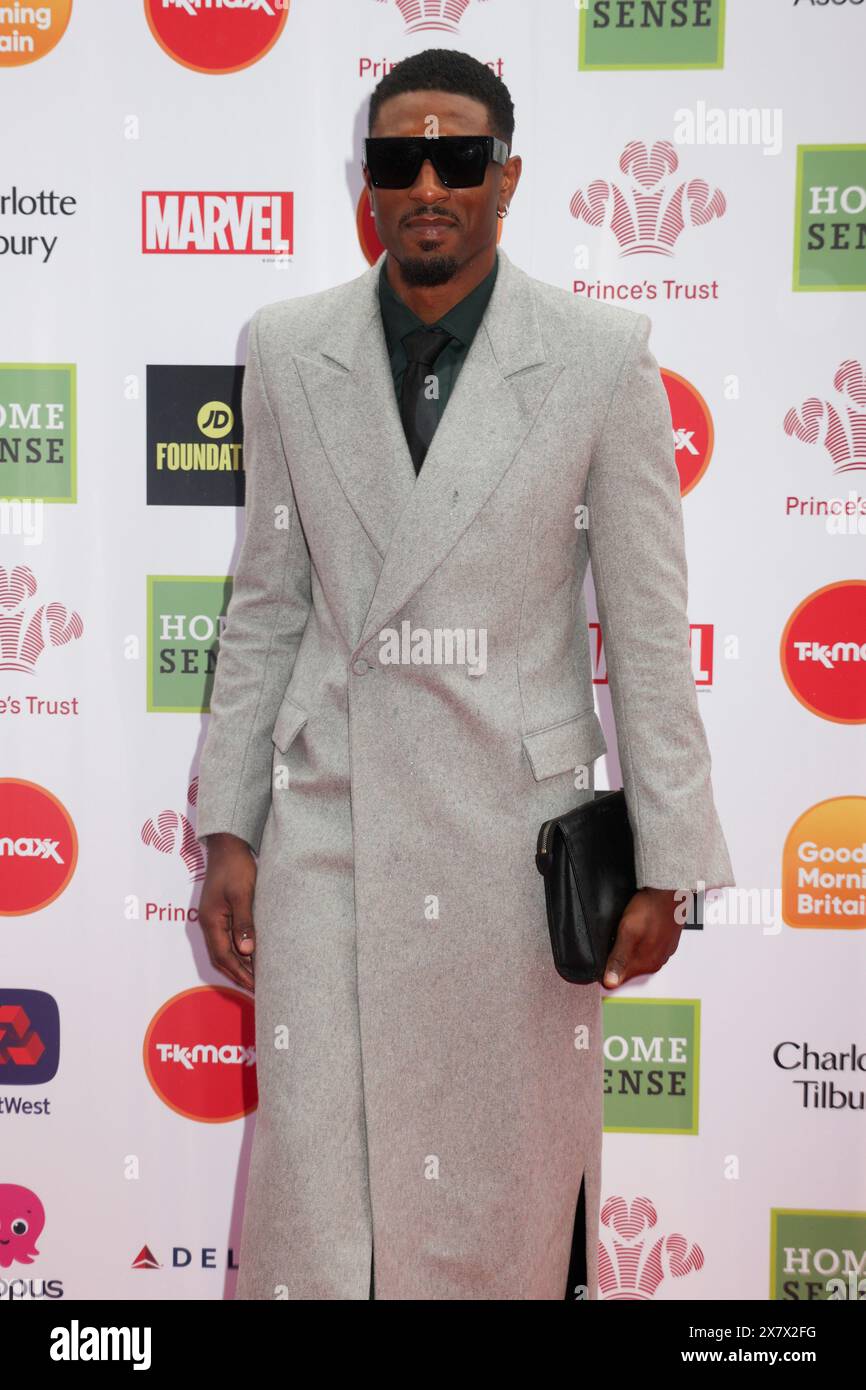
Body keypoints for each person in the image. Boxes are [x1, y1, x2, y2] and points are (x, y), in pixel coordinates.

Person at [195, 48, 735, 1301]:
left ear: (507, 178)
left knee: (495, 1208)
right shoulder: (286, 348)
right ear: (366, 183)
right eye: (398, 158)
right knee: (321, 1207)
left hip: (516, 852)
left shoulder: (599, 356)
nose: (426, 181)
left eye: (457, 157)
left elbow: (646, 627)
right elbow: (267, 604)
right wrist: (230, 822)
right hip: (334, 836)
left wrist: (668, 860)